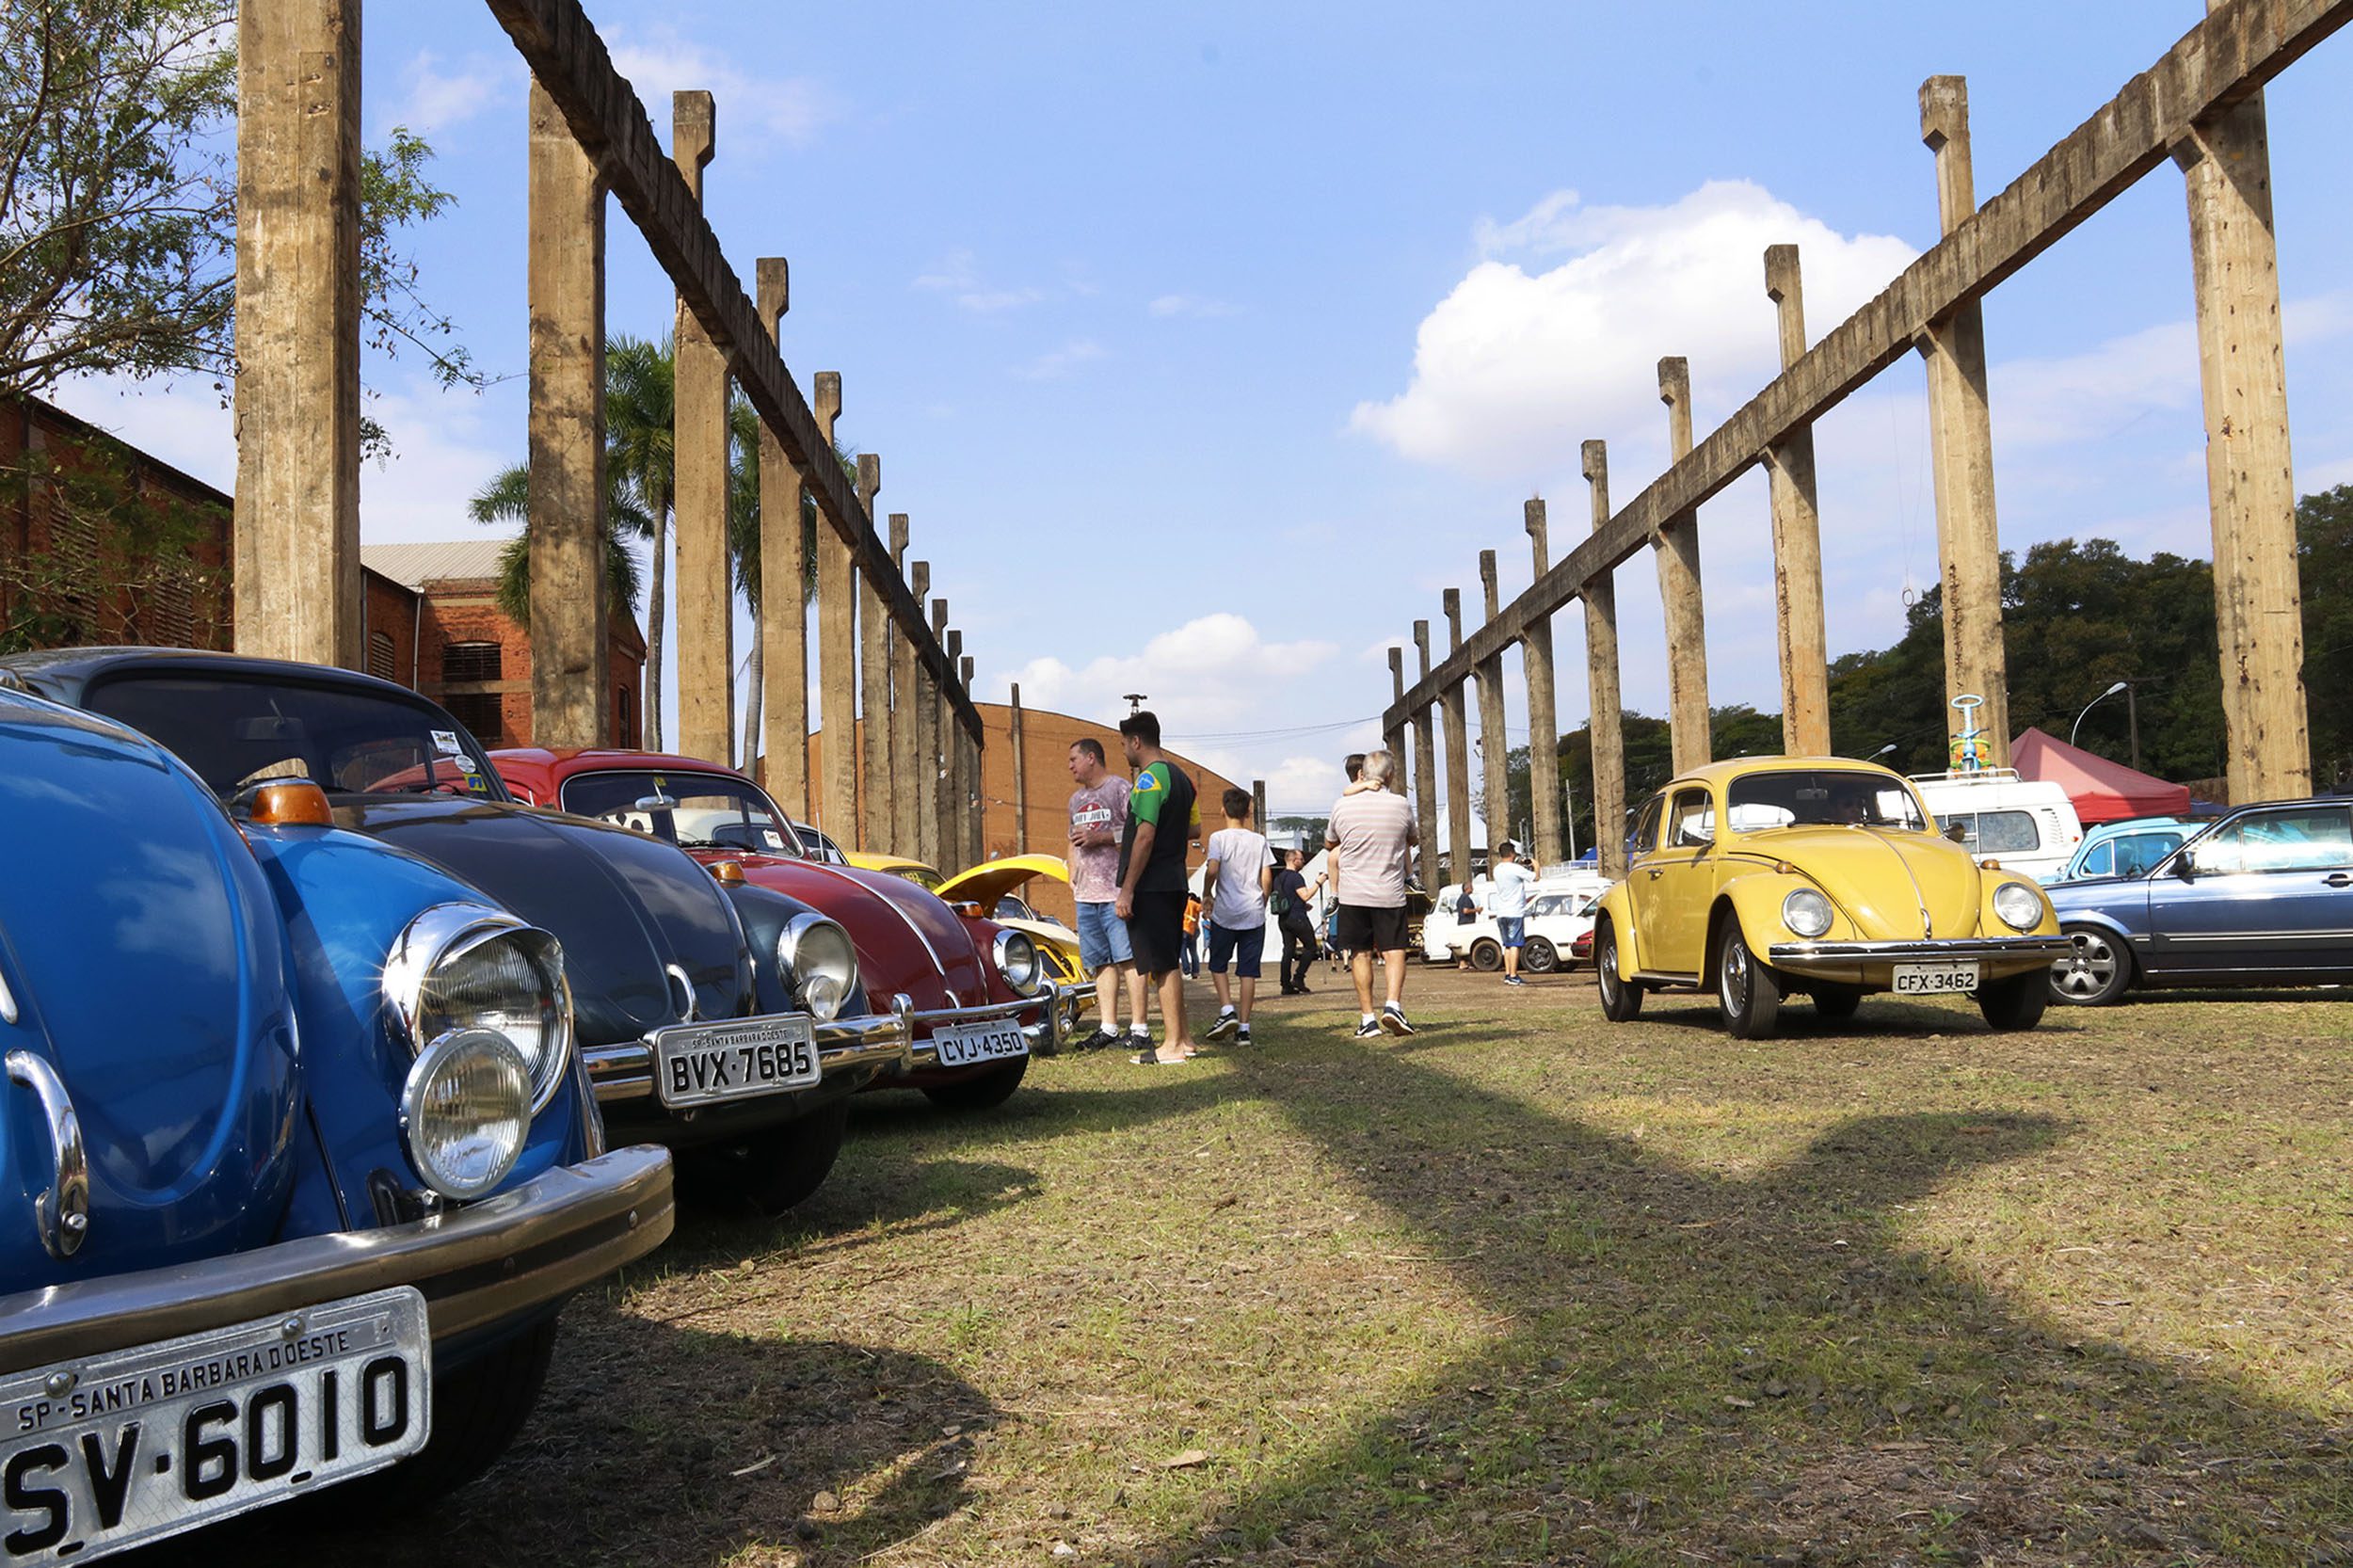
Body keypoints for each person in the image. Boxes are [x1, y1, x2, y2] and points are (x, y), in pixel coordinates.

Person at [1113, 711, 1200, 1064]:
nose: (1123, 751)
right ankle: (1186, 1039)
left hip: (1153, 885)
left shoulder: (1150, 779)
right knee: (1171, 961)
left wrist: (1127, 888)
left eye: (1123, 744)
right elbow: (1193, 831)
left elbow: (1145, 835)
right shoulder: (1181, 777)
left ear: (1136, 741)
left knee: (1162, 964)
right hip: (1176, 879)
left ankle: (1172, 1046)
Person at [1324, 748, 1419, 1038]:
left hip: (1354, 893)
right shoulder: (1401, 804)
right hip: (1389, 891)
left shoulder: (1342, 805)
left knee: (1360, 954)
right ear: (1390, 775)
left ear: (1363, 774)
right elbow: (1412, 839)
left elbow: (1330, 844)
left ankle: (1368, 1019)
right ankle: (1392, 1005)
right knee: (1393, 951)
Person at [1066, 737, 1146, 1052]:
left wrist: (1098, 837)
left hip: (1116, 891)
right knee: (1100, 963)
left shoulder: (1119, 789)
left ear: (1091, 758)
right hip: (1086, 895)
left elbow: (1138, 832)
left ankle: (1140, 1028)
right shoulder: (1074, 800)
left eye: (1074, 759)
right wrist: (1072, 875)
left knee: (1128, 959)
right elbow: (1070, 840)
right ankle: (1109, 1027)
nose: (1070, 766)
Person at [1201, 789, 1275, 1043]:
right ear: (1248, 812)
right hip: (1253, 912)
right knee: (1248, 971)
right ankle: (1244, 1029)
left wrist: (1206, 891)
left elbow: (1212, 868)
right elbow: (1267, 876)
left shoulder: (1218, 838)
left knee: (1218, 964)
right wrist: (1262, 900)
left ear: (1223, 809)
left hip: (1225, 913)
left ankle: (1226, 1010)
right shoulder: (1259, 840)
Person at [1271, 848, 1323, 995]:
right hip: (1297, 918)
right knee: (1311, 946)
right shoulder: (1296, 877)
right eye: (1301, 859)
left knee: (1288, 950)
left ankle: (1285, 984)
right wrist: (1318, 883)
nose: (1303, 861)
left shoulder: (1279, 878)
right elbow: (1305, 895)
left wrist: (1301, 904)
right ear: (1294, 860)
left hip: (1284, 918)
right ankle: (1299, 977)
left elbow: (1288, 897)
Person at [1487, 840, 1538, 985]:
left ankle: (1508, 973)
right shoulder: (1516, 869)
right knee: (1516, 944)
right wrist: (1534, 863)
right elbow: (1536, 877)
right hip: (1515, 911)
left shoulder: (1497, 869)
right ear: (1511, 853)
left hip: (1501, 912)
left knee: (1508, 945)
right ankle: (1514, 975)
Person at [1180, 890, 1203, 979]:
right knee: (1193, 951)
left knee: (1182, 951)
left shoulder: (1187, 903)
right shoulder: (1195, 904)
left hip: (1184, 929)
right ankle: (1196, 972)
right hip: (1194, 930)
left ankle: (1186, 972)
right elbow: (1202, 908)